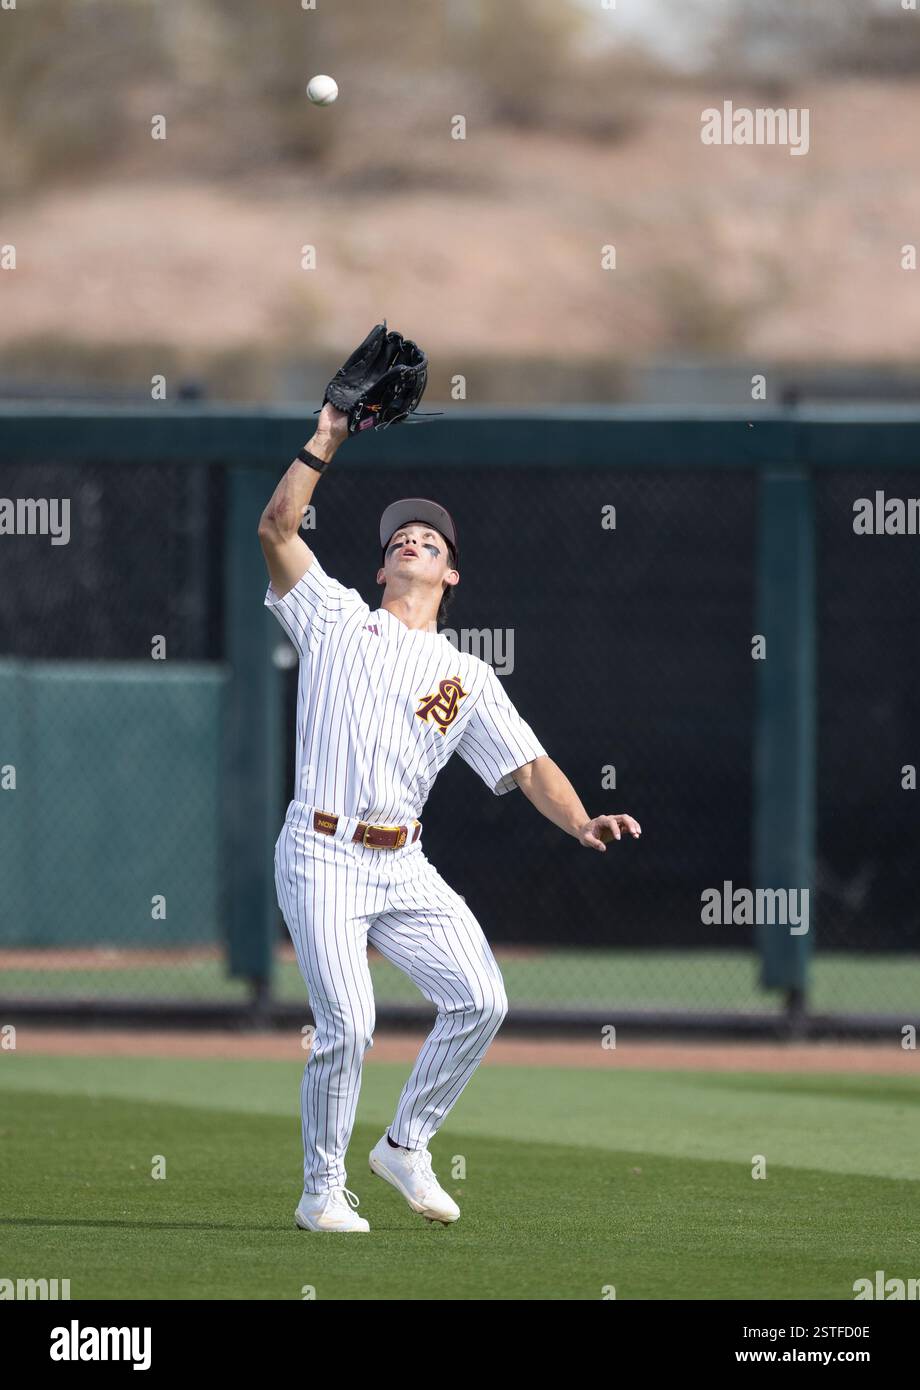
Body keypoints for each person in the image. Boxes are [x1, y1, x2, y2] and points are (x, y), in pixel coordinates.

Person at [258, 402, 641, 1232]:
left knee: (481, 999)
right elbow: (277, 526)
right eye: (401, 536)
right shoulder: (331, 618)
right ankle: (321, 1187)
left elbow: (529, 765)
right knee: (349, 1023)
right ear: (381, 564)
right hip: (320, 851)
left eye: (430, 541)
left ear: (451, 575)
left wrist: (579, 822)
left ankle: (405, 1144)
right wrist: (326, 435)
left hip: (400, 863)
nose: (412, 542)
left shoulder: (465, 676)